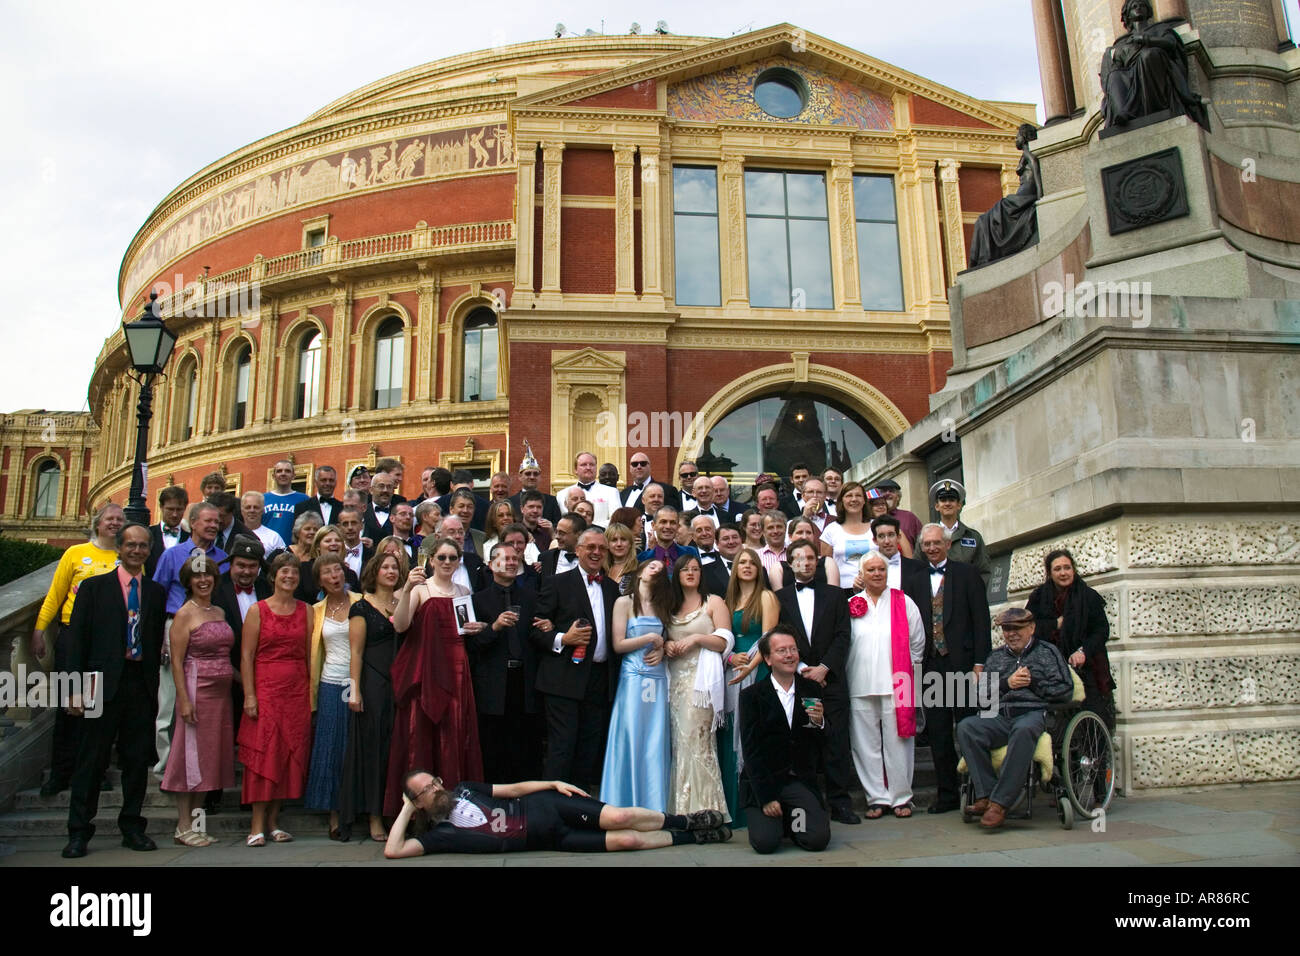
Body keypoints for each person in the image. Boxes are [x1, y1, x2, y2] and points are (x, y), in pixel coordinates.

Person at [60, 524, 166, 858]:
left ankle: (132, 827)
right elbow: (75, 641)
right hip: (98, 685)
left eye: (143, 546)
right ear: (119, 548)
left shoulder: (155, 591)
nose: (137, 551)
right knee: (91, 761)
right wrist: (73, 689)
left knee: (136, 762)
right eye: (131, 545)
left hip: (140, 685)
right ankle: (78, 832)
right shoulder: (93, 588)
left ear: (149, 550)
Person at [385, 772, 730, 857]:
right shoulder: (436, 837)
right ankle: (692, 836)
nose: (436, 788)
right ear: (418, 802)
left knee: (620, 818)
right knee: (627, 840)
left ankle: (686, 820)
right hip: (552, 837)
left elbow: (514, 789)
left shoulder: (463, 789)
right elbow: (393, 851)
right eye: (427, 789)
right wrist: (404, 808)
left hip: (547, 805)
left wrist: (552, 782)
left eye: (434, 781)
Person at [32, 502, 125, 798]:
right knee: (67, 707)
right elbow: (55, 594)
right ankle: (61, 773)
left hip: (107, 639)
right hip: (72, 635)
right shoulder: (75, 553)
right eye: (109, 519)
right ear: (98, 523)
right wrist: (38, 629)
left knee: (96, 711)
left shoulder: (125, 558)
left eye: (119, 520)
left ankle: (93, 774)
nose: (114, 523)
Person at [387, 538, 484, 815]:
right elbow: (401, 626)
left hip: (457, 668)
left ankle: (456, 808)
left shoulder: (463, 589)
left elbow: (464, 630)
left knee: (456, 734)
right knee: (424, 735)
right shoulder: (421, 589)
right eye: (441, 557)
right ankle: (420, 810)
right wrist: (406, 588)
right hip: (427, 668)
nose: (447, 562)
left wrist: (478, 627)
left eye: (453, 558)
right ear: (430, 560)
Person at [957, 608, 1073, 828]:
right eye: (1007, 629)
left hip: (1032, 713)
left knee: (1023, 729)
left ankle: (999, 804)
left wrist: (1034, 682)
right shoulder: (996, 656)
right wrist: (1005, 684)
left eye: (1017, 628)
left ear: (1031, 628)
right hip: (1000, 716)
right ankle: (987, 795)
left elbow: (1065, 690)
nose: (1011, 634)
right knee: (966, 727)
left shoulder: (1048, 652)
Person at [531, 528, 621, 791]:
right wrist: (562, 639)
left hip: (600, 679)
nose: (596, 553)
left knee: (589, 747)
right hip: (563, 679)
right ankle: (550, 805)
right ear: (578, 550)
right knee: (563, 746)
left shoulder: (612, 589)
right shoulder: (557, 583)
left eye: (601, 549)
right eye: (590, 547)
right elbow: (535, 630)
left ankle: (581, 808)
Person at [775, 539, 858, 824]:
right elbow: (780, 637)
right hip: (799, 680)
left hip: (831, 680)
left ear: (817, 562)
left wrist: (824, 668)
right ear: (790, 563)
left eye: (811, 558)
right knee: (806, 745)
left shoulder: (835, 595)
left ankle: (840, 803)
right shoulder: (780, 598)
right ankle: (812, 804)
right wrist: (800, 668)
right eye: (800, 558)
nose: (806, 563)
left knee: (836, 742)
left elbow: (843, 636)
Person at [239, 551, 313, 846]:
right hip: (265, 688)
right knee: (263, 754)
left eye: (294, 572)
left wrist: (310, 694)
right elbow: (246, 656)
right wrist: (249, 695)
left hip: (296, 689)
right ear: (273, 576)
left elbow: (309, 655)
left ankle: (274, 821)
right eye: (284, 572)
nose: (289, 576)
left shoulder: (306, 610)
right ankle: (256, 824)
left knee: (287, 754)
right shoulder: (258, 610)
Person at [161, 558, 236, 846]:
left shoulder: (218, 610)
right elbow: (177, 663)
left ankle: (197, 825)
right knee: (188, 758)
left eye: (208, 575)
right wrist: (184, 700)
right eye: (197, 576)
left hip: (221, 695)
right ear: (188, 581)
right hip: (196, 689)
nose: (203, 580)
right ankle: (182, 826)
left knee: (210, 758)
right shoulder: (184, 614)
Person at [846, 551, 926, 818]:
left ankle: (901, 797)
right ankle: (877, 797)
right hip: (859, 681)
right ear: (862, 574)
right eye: (871, 570)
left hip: (897, 683)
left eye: (881, 569)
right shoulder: (852, 604)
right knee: (864, 743)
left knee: (899, 742)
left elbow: (917, 643)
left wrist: (909, 673)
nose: (877, 574)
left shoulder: (904, 602)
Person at [917, 523, 991, 813]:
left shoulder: (968, 574)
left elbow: (981, 621)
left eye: (937, 543)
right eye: (927, 544)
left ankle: (977, 790)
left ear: (948, 544)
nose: (932, 548)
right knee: (937, 734)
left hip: (963, 666)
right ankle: (946, 794)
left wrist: (979, 664)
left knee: (969, 729)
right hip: (931, 665)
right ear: (922, 548)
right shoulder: (915, 578)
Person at [739, 628, 831, 855]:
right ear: (768, 659)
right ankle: (773, 818)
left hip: (798, 778)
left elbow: (824, 741)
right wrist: (766, 797)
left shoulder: (810, 688)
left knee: (817, 840)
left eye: (793, 649)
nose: (790, 655)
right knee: (766, 843)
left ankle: (791, 818)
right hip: (765, 779)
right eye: (782, 651)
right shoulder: (751, 696)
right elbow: (750, 751)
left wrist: (819, 723)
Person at [152, 501, 229, 772]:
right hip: (175, 627)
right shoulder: (173, 555)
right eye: (207, 521)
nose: (213, 525)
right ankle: (166, 765)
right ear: (192, 523)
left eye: (217, 522)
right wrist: (161, 637)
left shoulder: (222, 558)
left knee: (203, 703)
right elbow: (156, 596)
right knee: (170, 698)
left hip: (210, 631)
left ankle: (197, 761)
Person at [340, 550, 403, 843]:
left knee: (396, 750)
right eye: (385, 567)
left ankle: (395, 813)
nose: (391, 571)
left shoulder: (402, 603)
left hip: (400, 685)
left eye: (394, 567)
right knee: (375, 750)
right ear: (374, 573)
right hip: (373, 684)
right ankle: (374, 816)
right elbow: (355, 652)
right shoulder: (361, 608)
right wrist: (354, 690)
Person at [664, 554, 733, 819]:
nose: (691, 573)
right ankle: (680, 807)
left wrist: (696, 638)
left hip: (701, 683)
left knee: (699, 741)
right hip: (675, 681)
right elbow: (663, 637)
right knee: (679, 742)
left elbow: (725, 642)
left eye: (695, 569)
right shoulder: (669, 605)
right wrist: (668, 645)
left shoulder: (713, 602)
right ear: (677, 574)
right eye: (685, 570)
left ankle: (706, 807)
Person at [470, 543, 546, 783]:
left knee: (527, 746)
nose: (513, 563)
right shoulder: (477, 600)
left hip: (525, 682)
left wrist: (549, 627)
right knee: (493, 746)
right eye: (506, 559)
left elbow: (538, 637)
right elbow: (472, 646)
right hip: (493, 684)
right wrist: (494, 627)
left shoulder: (533, 598)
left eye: (516, 559)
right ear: (491, 565)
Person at [600, 559, 672, 811]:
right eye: (652, 566)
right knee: (631, 732)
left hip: (658, 676)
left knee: (655, 737)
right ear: (640, 572)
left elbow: (668, 640)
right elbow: (618, 644)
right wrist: (651, 637)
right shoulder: (624, 602)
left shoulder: (663, 606)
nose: (657, 570)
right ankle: (624, 800)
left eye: (661, 571)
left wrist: (662, 648)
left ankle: (654, 803)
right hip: (633, 676)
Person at [719, 547, 779, 826]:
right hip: (732, 668)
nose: (746, 566)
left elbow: (768, 639)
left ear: (759, 568)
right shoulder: (727, 601)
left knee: (752, 734)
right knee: (731, 735)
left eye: (751, 563)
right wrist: (731, 658)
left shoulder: (766, 597)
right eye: (741, 562)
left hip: (757, 670)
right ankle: (733, 807)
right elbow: (720, 636)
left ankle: (756, 806)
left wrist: (750, 667)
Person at [305, 552, 362, 839]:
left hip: (358, 683)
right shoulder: (315, 611)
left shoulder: (361, 602)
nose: (334, 576)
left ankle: (358, 807)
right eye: (327, 572)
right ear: (320, 580)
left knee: (354, 747)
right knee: (331, 748)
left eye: (337, 570)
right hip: (329, 683)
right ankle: (335, 814)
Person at [1026, 549, 1115, 728]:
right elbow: (1028, 629)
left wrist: (1083, 651)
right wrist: (1055, 624)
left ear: (1073, 569)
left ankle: (1093, 754)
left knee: (1092, 716)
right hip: (1050, 668)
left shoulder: (1089, 597)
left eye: (1067, 567)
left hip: (1086, 664)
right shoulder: (1038, 597)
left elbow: (1101, 630)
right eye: (1057, 569)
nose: (1063, 573)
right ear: (1050, 573)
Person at [1100, 0, 1209, 132]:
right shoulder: (1123, 42)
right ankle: (1123, 112)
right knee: (1114, 76)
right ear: (1127, 15)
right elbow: (1117, 64)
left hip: (1153, 68)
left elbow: (1171, 43)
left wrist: (1145, 39)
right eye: (1134, 7)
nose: (1138, 8)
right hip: (1131, 74)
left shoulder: (1160, 29)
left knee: (1148, 55)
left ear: (1148, 11)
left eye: (1142, 6)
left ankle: (1154, 107)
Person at [930, 478, 991, 587]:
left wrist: (975, 595)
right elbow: (918, 570)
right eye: (943, 500)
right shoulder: (926, 536)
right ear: (937, 506)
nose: (947, 503)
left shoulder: (973, 537)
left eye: (952, 500)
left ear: (959, 505)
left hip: (966, 599)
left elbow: (983, 571)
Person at [822, 482, 878, 586]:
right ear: (841, 501)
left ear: (864, 500)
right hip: (842, 590)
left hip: (876, 587)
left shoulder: (877, 526)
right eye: (849, 496)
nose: (854, 499)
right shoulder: (831, 530)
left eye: (858, 495)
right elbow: (825, 566)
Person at [296, 524, 359, 602]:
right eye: (328, 541)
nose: (333, 543)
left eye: (337, 540)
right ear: (318, 546)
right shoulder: (303, 569)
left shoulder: (350, 575)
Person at [561, 451, 620, 527]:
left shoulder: (611, 492)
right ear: (575, 470)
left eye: (592, 465)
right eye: (584, 465)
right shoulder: (562, 494)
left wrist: (590, 527)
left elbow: (616, 520)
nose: (588, 468)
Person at [508, 442, 562, 524]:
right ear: (520, 477)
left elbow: (557, 525)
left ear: (540, 477)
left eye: (535, 474)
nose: (532, 477)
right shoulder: (510, 502)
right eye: (528, 473)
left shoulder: (551, 501)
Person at [779, 517, 840, 587]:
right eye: (800, 532)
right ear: (790, 536)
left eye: (808, 532)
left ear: (814, 536)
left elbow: (834, 593)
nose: (805, 537)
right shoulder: (779, 568)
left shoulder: (828, 563)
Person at [146, 486, 189, 578]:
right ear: (161, 507)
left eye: (179, 509)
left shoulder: (191, 539)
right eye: (170, 509)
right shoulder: (147, 535)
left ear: (185, 508)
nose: (175, 514)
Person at [262, 459, 308, 544]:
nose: (283, 474)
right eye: (279, 471)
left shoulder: (304, 499)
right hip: (266, 551)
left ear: (293, 476)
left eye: (287, 471)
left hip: (292, 551)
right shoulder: (262, 499)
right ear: (273, 476)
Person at [875, 478, 921, 548]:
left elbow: (921, 544)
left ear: (898, 497)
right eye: (883, 491)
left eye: (892, 491)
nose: (887, 493)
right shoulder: (869, 519)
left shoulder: (909, 517)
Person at [240, 491, 287, 555]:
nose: (252, 510)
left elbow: (283, 562)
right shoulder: (233, 534)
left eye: (256, 507)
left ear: (263, 510)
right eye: (248, 507)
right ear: (242, 510)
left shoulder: (274, 537)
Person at [604, 521, 640, 595]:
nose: (619, 544)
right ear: (607, 544)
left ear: (630, 543)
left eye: (623, 539)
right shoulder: (600, 570)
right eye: (614, 540)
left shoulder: (639, 570)